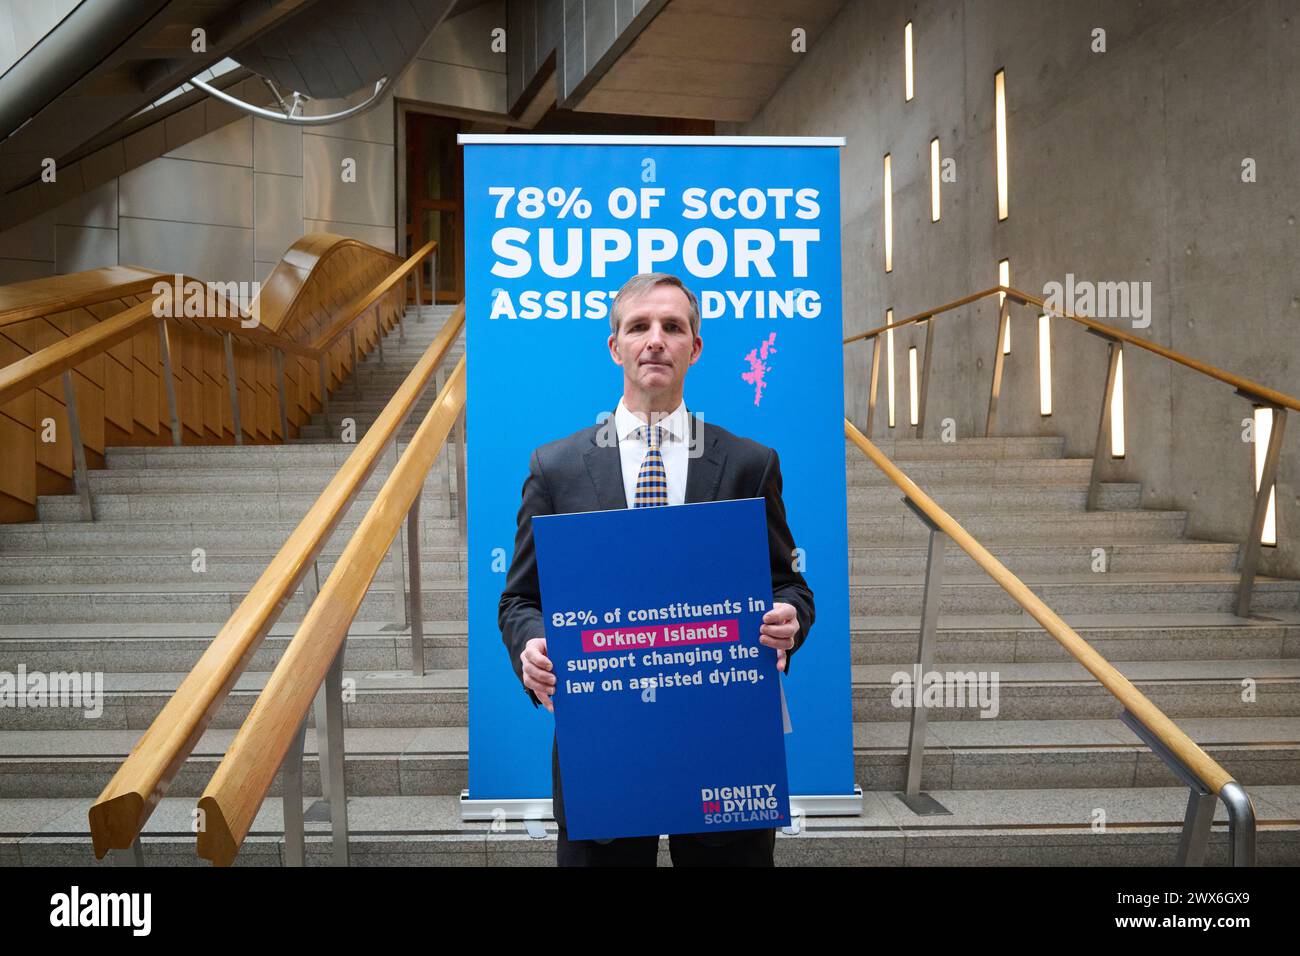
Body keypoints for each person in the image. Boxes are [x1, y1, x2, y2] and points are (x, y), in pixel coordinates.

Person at [498, 272, 814, 866]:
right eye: (638, 327)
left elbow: (789, 583)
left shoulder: (750, 464)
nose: (655, 340)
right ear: (614, 346)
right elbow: (518, 600)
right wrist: (532, 646)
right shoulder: (556, 467)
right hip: (603, 750)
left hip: (724, 742)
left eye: (673, 327)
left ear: (695, 348)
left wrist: (789, 616)